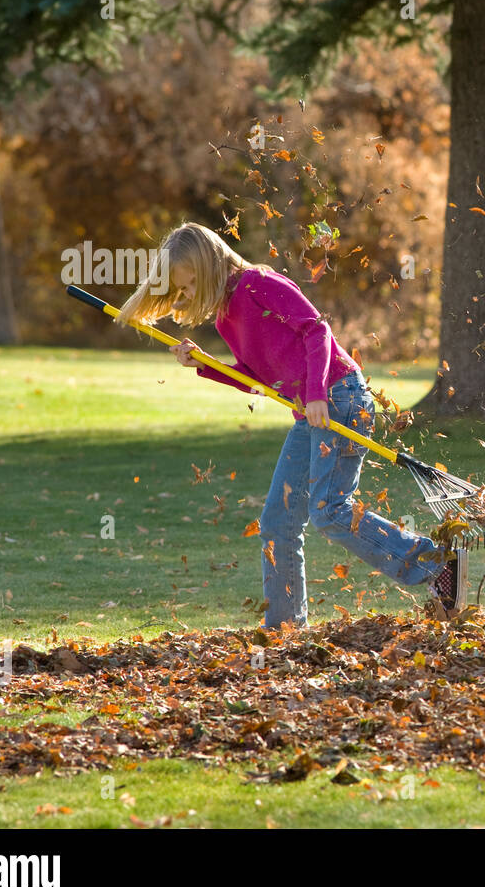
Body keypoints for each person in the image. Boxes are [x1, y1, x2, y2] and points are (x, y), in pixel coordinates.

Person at [113, 222, 467, 629]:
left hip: (340, 397)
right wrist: (204, 366)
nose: (189, 296)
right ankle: (285, 630)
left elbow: (316, 330)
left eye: (191, 285)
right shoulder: (226, 317)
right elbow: (257, 380)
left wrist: (316, 391)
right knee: (278, 523)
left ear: (209, 268)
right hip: (310, 410)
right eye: (182, 291)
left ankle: (437, 563)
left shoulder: (257, 283)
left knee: (330, 512)